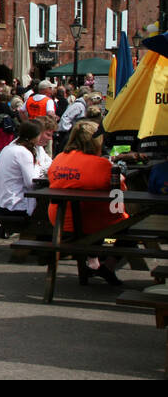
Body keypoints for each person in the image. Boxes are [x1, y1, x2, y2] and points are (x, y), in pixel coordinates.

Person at [47, 121, 127, 285]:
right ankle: (108, 267)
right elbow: (120, 195)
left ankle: (94, 262)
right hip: (90, 222)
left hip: (60, 220)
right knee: (128, 224)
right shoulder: (102, 165)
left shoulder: (59, 159)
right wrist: (121, 178)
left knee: (101, 217)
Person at [0, 119, 46, 219]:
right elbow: (31, 183)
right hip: (14, 206)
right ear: (34, 136)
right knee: (45, 211)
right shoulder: (23, 153)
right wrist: (37, 166)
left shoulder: (8, 148)